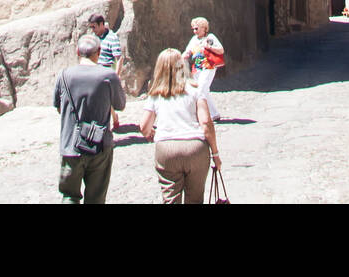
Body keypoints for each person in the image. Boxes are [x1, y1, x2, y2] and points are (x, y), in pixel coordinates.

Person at [139, 48, 221, 204]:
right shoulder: (195, 90)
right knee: (195, 199)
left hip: (167, 149)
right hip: (195, 148)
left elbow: (144, 126)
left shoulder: (156, 94)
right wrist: (215, 154)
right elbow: (206, 123)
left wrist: (151, 134)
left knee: (170, 200)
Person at [53, 33, 126, 204]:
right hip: (100, 145)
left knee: (69, 196)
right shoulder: (108, 76)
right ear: (98, 52)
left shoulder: (64, 75)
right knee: (96, 198)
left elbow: (58, 107)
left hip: (71, 145)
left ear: (77, 51)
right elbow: (120, 105)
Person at [182, 16, 223, 121]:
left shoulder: (210, 37)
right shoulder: (193, 39)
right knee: (203, 90)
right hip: (197, 68)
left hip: (208, 66)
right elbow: (188, 51)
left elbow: (221, 50)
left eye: (197, 28)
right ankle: (214, 114)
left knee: (202, 89)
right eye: (193, 29)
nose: (195, 31)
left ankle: (200, 114)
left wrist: (209, 47)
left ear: (204, 28)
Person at [89, 11, 123, 130]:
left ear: (101, 24)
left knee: (104, 99)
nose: (93, 30)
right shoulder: (94, 38)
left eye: (94, 27)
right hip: (95, 70)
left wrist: (117, 75)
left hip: (107, 71)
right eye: (91, 27)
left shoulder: (112, 38)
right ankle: (113, 118)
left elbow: (119, 58)